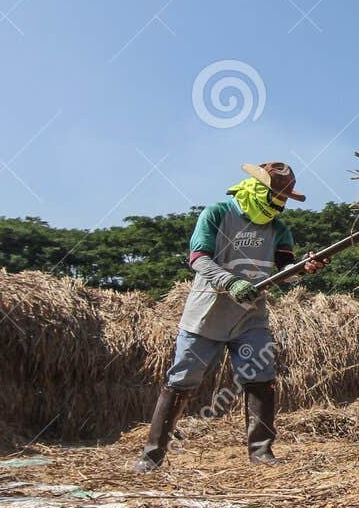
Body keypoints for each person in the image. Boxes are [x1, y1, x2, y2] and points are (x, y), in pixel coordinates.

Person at [135, 161, 329, 474]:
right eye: (274, 197)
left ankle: (261, 452)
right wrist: (230, 281)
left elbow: (283, 272)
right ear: (257, 189)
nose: (278, 205)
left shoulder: (279, 229)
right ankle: (152, 456)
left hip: (250, 317)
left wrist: (303, 269)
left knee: (261, 375)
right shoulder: (216, 213)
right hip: (206, 314)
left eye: (283, 200)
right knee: (183, 378)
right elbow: (198, 259)